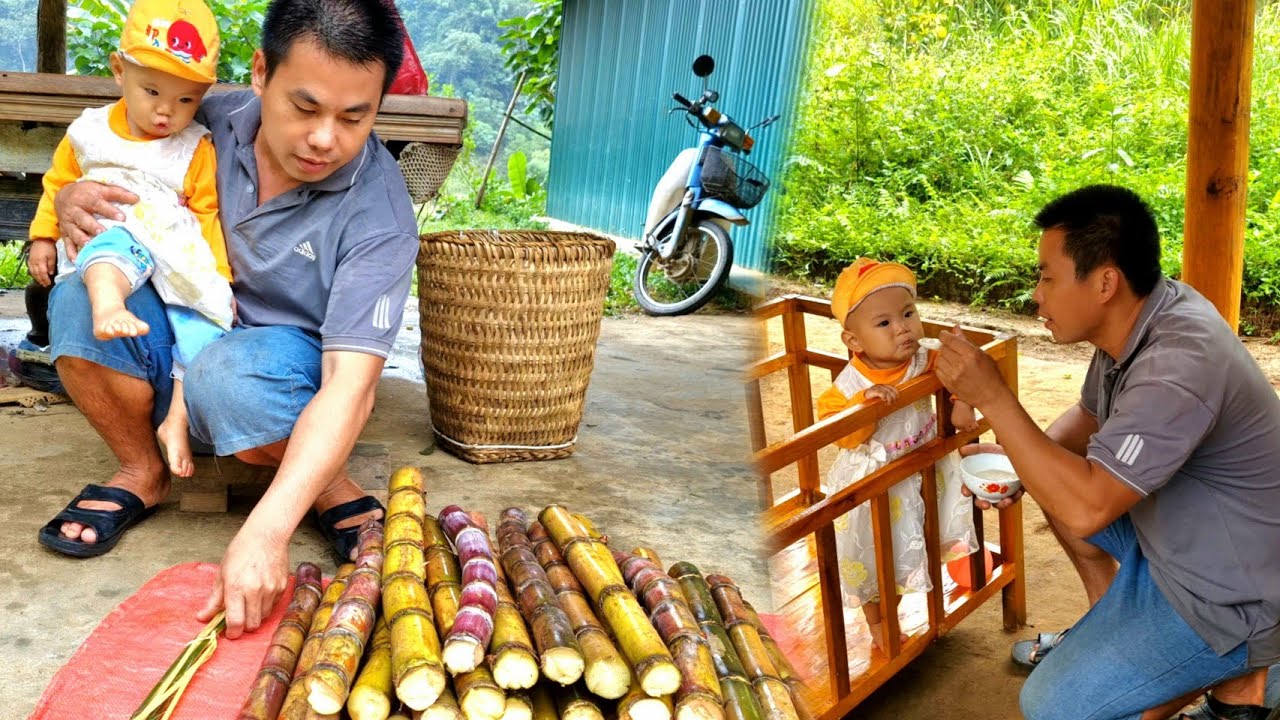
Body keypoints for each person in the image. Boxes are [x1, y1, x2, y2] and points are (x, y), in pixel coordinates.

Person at [41, 0, 418, 640]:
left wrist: (265, 533)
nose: (326, 138)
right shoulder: (197, 116)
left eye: (355, 116)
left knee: (227, 376)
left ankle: (325, 484)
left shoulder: (379, 211)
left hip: (279, 368)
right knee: (81, 296)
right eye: (306, 107)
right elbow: (99, 159)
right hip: (180, 331)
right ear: (261, 73)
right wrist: (71, 199)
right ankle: (141, 467)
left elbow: (352, 384)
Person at [934, 185, 1280, 720]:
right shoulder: (1143, 319)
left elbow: (1088, 507)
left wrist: (993, 399)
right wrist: (1015, 462)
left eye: (1047, 277)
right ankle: (1114, 627)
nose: (1036, 295)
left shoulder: (1177, 365)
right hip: (1187, 533)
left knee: (1052, 707)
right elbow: (1089, 420)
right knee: (1052, 478)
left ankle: (1249, 674)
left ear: (1104, 282)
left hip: (1234, 590)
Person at [27, 0, 230, 481]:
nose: (166, 111)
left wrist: (217, 277)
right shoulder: (89, 132)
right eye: (153, 91)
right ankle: (105, 303)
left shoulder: (196, 147)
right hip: (113, 232)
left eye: (186, 100)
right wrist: (42, 236)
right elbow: (57, 185)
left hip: (172, 250)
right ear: (120, 71)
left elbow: (207, 215)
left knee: (204, 327)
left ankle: (177, 419)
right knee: (111, 247)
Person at [817, 257, 979, 653]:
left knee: (913, 547)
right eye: (884, 323)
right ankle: (876, 623)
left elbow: (957, 374)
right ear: (854, 342)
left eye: (908, 314)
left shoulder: (927, 357)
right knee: (873, 559)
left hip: (922, 472)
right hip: (874, 486)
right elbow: (837, 429)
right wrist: (864, 408)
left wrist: (961, 401)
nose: (903, 327)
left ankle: (895, 611)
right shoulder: (849, 384)